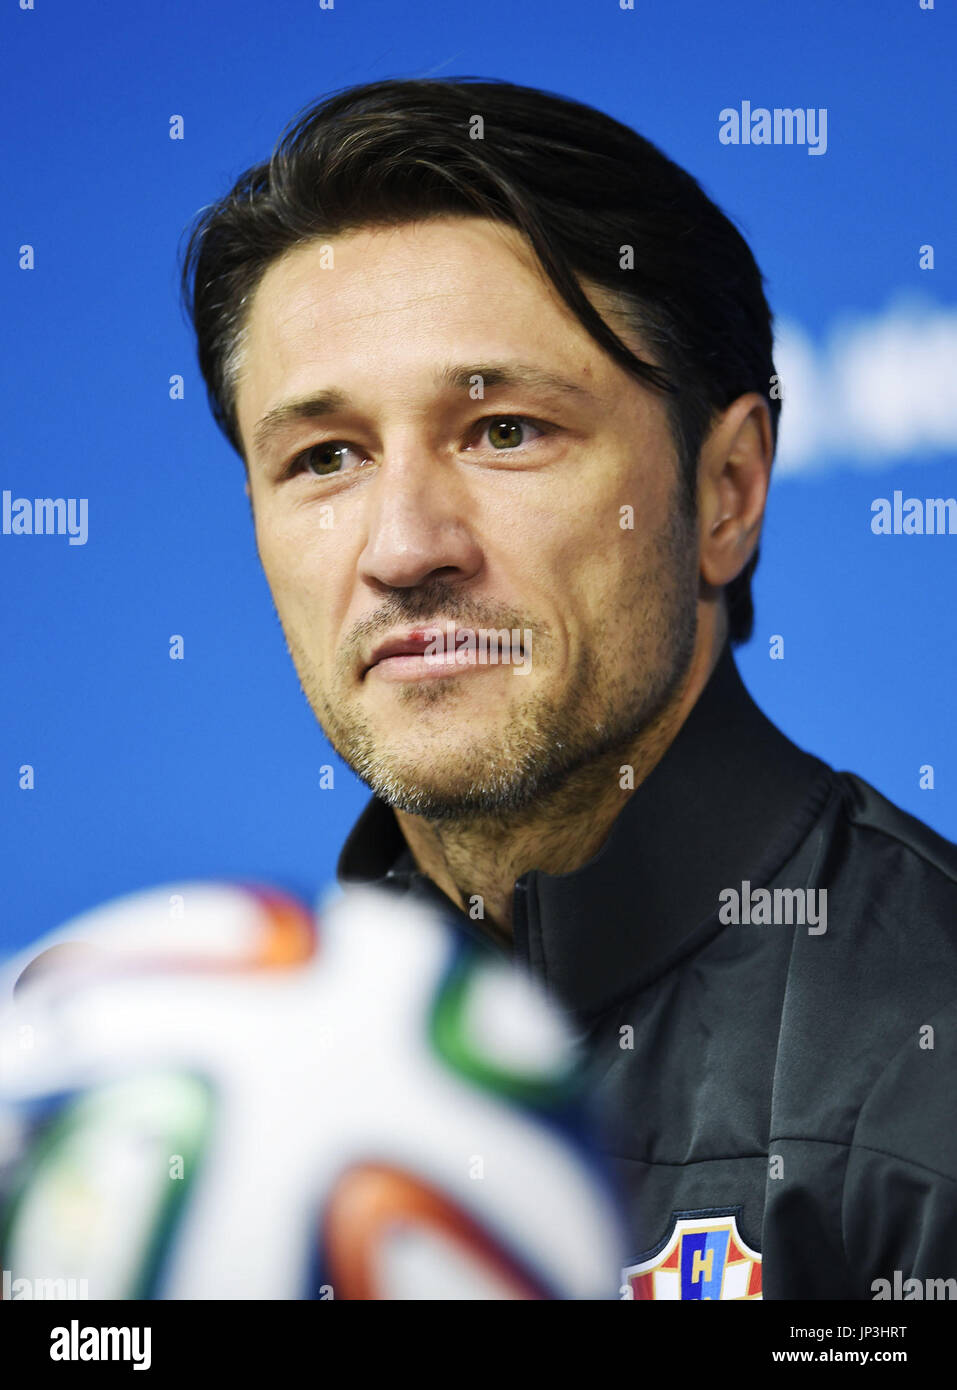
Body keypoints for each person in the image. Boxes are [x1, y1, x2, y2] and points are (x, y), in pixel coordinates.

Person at [180, 76, 957, 1300]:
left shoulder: (932, 1071)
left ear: (726, 491)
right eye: (325, 458)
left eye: (504, 432)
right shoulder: (168, 1117)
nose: (403, 545)